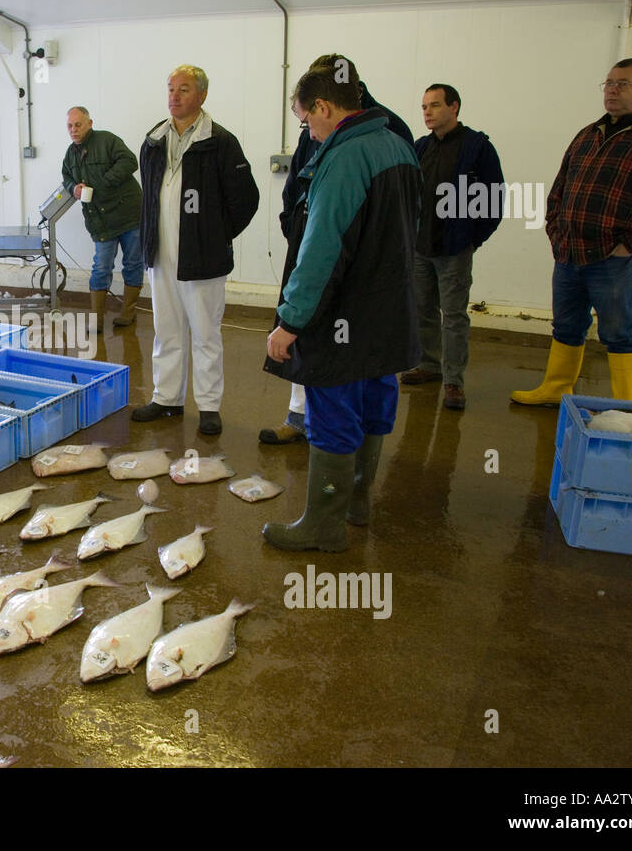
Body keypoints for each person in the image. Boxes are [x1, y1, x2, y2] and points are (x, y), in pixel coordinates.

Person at [262, 60, 422, 552]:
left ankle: (323, 527)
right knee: (374, 403)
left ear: (325, 108)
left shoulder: (346, 156)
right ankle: (357, 504)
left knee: (332, 411)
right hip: (388, 311)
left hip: (342, 316)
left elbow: (321, 250)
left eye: (306, 119)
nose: (308, 129)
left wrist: (289, 322)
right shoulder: (397, 145)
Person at [513, 58, 632, 406]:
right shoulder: (588, 134)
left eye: (622, 83)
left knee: (618, 333)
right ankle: (556, 388)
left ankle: (626, 404)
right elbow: (561, 187)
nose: (612, 89)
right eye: (608, 83)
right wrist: (556, 230)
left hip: (615, 259)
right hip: (569, 253)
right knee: (566, 326)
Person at [134, 65, 259, 436]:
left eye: (184, 89)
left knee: (206, 334)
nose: (174, 96)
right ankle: (167, 398)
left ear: (202, 95)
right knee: (166, 330)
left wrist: (215, 235)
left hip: (203, 257)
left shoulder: (220, 143)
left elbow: (245, 200)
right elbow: (150, 200)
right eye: (171, 88)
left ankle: (208, 406)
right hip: (161, 253)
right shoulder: (153, 141)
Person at [401, 83, 504, 411]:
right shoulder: (420, 148)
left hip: (454, 248)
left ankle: (453, 381)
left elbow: (493, 197)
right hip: (420, 246)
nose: (427, 113)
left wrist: (473, 239)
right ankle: (429, 364)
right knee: (422, 309)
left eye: (434, 105)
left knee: (454, 316)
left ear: (454, 107)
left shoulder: (476, 148)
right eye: (424, 107)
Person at [61, 106, 144, 331]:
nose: (74, 130)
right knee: (101, 267)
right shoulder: (70, 154)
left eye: (78, 124)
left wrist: (104, 182)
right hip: (101, 221)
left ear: (90, 123)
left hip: (129, 215)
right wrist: (73, 188)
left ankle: (128, 313)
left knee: (134, 263)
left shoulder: (107, 140)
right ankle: (96, 319)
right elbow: (66, 178)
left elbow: (129, 161)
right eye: (70, 125)